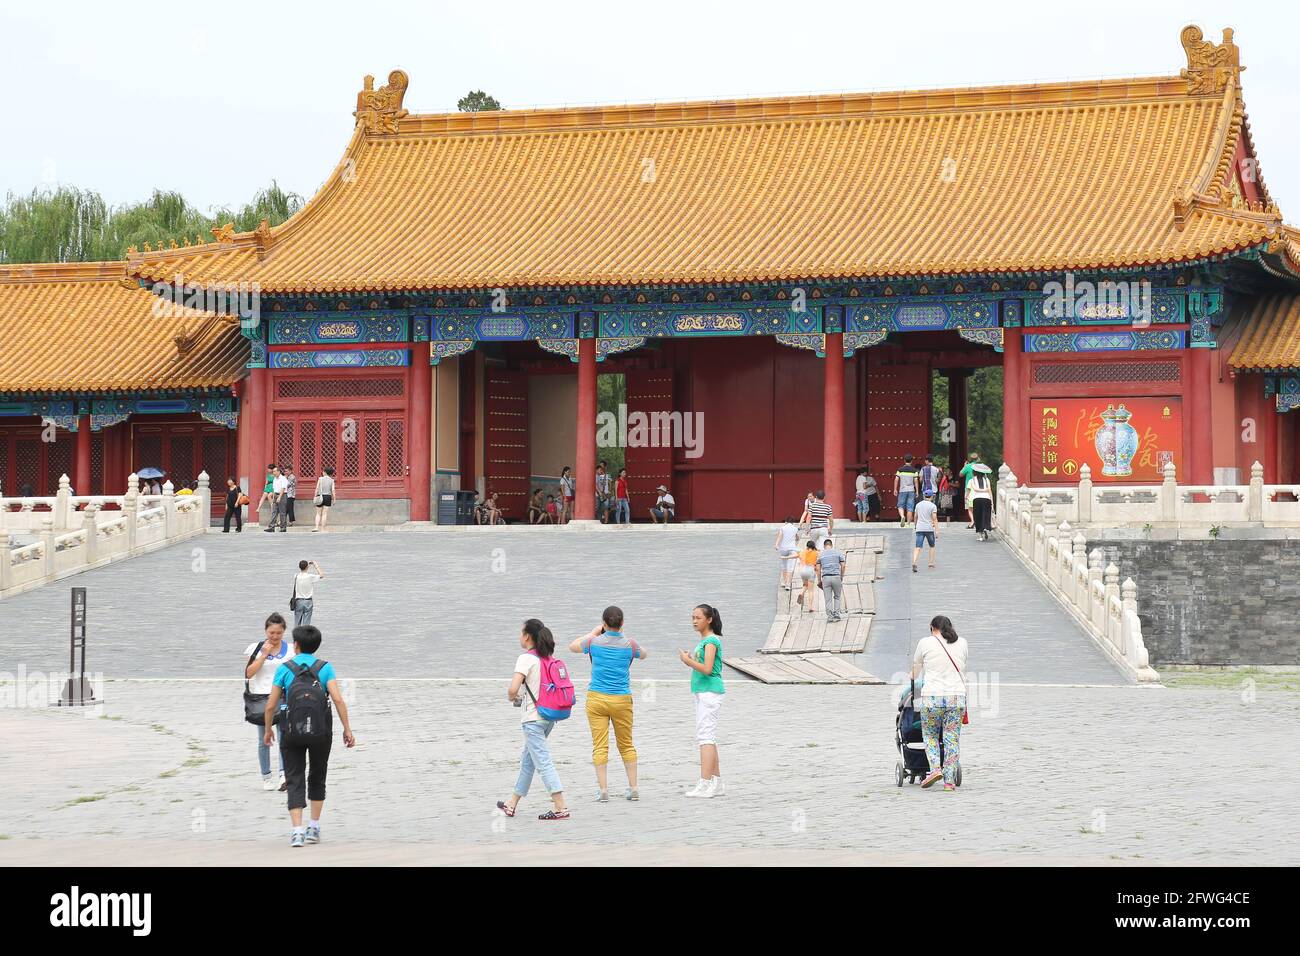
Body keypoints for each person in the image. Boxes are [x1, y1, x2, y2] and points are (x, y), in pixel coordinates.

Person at [264, 625, 356, 846]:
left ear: (295, 645)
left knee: (294, 777)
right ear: (316, 645)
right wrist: (347, 729)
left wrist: (268, 730)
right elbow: (338, 700)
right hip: (320, 730)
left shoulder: (284, 668)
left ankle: (297, 831)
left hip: (291, 731)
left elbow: (270, 705)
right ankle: (313, 828)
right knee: (317, 774)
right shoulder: (325, 668)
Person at [569, 606, 646, 802]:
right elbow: (644, 654)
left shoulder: (593, 642)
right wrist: (624, 637)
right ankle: (633, 787)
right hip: (621, 699)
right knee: (626, 744)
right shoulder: (630, 644)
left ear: (604, 623)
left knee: (600, 746)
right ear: (622, 623)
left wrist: (594, 632)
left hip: (597, 699)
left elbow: (573, 646)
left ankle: (603, 790)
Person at [497, 619, 570, 820]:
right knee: (528, 762)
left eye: (521, 633)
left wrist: (513, 697)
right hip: (548, 718)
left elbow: (513, 689)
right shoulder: (547, 657)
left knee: (543, 762)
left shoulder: (526, 659)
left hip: (532, 720)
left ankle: (560, 807)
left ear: (527, 636)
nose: (519, 636)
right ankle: (511, 804)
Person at [910, 615, 969, 791]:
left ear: (931, 627)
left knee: (930, 735)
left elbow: (916, 669)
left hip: (932, 698)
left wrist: (912, 677)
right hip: (956, 697)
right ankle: (949, 783)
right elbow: (962, 664)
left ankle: (935, 769)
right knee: (951, 739)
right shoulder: (963, 642)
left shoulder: (925, 643)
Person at [244, 612, 295, 791]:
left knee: (283, 738)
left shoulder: (290, 650)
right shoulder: (255, 648)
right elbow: (248, 673)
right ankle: (266, 776)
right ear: (266, 630)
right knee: (263, 740)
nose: (274, 636)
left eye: (278, 633)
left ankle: (283, 775)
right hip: (261, 699)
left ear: (283, 632)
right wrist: (263, 655)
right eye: (271, 632)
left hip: (282, 697)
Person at [679, 604, 725, 798]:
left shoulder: (711, 641)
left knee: (705, 736)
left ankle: (704, 782)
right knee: (707, 736)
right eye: (693, 617)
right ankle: (717, 782)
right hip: (702, 691)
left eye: (698, 617)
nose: (694, 621)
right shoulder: (705, 640)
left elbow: (707, 668)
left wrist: (687, 661)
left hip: (710, 692)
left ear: (709, 620)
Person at [816, 536, 846, 623]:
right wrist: (841, 576)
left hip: (826, 578)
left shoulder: (820, 554)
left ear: (824, 546)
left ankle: (830, 617)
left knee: (828, 598)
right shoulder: (838, 552)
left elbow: (818, 569)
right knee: (837, 597)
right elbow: (843, 565)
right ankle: (836, 615)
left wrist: (819, 580)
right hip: (836, 576)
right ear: (831, 545)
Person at [291, 559, 324, 628]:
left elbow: (303, 569)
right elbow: (321, 575)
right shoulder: (310, 577)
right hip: (308, 601)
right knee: (306, 624)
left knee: (297, 623)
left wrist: (307, 565)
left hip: (298, 601)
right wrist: (315, 565)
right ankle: (304, 637)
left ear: (299, 567)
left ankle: (297, 637)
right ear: (307, 567)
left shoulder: (296, 576)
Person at [912, 491, 940, 572]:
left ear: (924, 496)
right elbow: (934, 519)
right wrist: (937, 530)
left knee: (918, 547)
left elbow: (915, 517)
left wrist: (915, 525)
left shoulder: (918, 505)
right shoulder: (933, 506)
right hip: (929, 529)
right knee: (932, 546)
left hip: (919, 528)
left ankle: (914, 562)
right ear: (932, 497)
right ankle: (931, 563)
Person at [774, 515, 799, 590]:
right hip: (792, 548)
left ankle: (784, 582)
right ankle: (788, 584)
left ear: (786, 521)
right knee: (790, 567)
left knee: (784, 566)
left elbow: (779, 536)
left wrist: (776, 545)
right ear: (793, 522)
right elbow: (797, 537)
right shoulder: (795, 528)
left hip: (783, 548)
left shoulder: (783, 528)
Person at [969, 465, 995, 540]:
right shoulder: (987, 480)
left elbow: (975, 489)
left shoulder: (973, 480)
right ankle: (985, 528)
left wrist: (981, 490)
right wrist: (992, 504)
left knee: (977, 516)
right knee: (985, 515)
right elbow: (989, 491)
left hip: (977, 499)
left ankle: (980, 536)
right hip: (987, 499)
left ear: (975, 472)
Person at [894, 455, 920, 528]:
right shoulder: (914, 470)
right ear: (912, 461)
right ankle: (908, 524)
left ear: (904, 460)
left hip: (902, 490)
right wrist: (917, 491)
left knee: (900, 506)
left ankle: (902, 516)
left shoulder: (900, 470)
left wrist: (895, 489)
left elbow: (896, 480)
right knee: (910, 507)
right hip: (911, 490)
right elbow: (916, 481)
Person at [796, 538, 819, 613]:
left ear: (807, 546)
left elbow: (797, 556)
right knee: (811, 590)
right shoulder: (816, 553)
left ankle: (801, 593)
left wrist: (784, 557)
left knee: (805, 585)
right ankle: (810, 607)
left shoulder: (803, 552)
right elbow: (817, 563)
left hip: (803, 570)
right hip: (810, 570)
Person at [265, 466, 289, 533]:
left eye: (275, 471)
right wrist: (273, 497)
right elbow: (273, 489)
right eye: (273, 472)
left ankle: (283, 527)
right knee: (274, 511)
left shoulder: (283, 479)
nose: (274, 473)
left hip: (282, 495)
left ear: (279, 471)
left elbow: (283, 488)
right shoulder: (275, 479)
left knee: (282, 512)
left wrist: (279, 497)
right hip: (275, 495)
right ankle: (271, 527)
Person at [959, 453, 980, 528]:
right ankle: (977, 521)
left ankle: (972, 521)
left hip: (969, 489)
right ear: (977, 459)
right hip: (978, 488)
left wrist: (964, 466)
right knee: (977, 505)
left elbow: (960, 474)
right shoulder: (980, 467)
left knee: (970, 507)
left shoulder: (968, 466)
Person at [313, 467, 336, 532]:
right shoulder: (332, 480)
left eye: (323, 471)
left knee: (318, 513)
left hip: (320, 496)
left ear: (325, 472)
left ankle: (316, 527)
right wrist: (334, 499)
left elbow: (317, 489)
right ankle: (323, 529)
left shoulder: (320, 479)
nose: (322, 472)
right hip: (328, 497)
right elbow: (333, 490)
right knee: (324, 514)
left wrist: (315, 497)